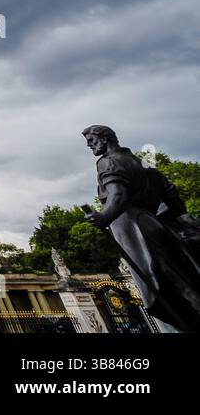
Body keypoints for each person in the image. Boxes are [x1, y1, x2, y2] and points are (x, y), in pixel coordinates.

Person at [82, 125, 200, 332]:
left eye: (92, 140)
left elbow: (118, 195)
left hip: (131, 226)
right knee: (181, 281)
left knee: (159, 288)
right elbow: (174, 199)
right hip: (157, 225)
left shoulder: (107, 162)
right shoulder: (144, 166)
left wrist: (103, 217)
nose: (89, 145)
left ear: (105, 138)